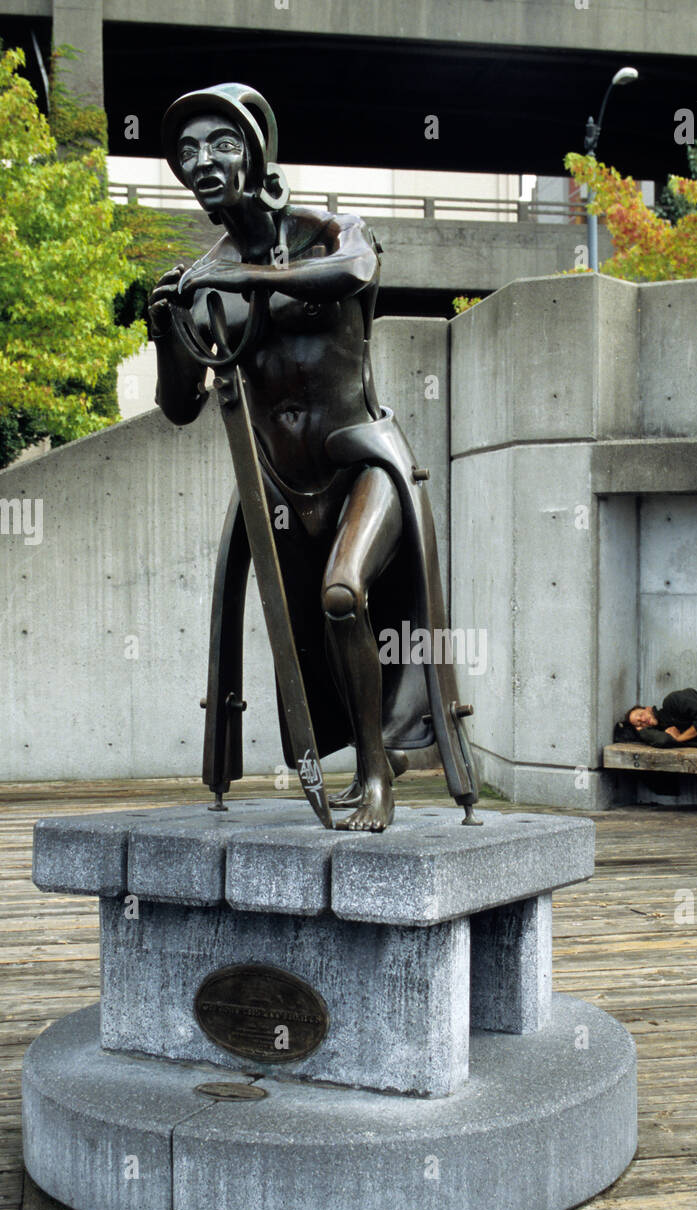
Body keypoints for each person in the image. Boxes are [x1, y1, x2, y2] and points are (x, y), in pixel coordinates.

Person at [150, 83, 477, 830]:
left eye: (223, 143)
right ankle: (364, 754)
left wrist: (245, 277)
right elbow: (179, 405)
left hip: (361, 458)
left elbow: (355, 274)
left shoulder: (330, 230)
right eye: (188, 151)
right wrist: (167, 329)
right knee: (309, 627)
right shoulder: (206, 281)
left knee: (343, 593)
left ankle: (375, 776)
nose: (204, 160)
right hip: (279, 483)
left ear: (256, 151)